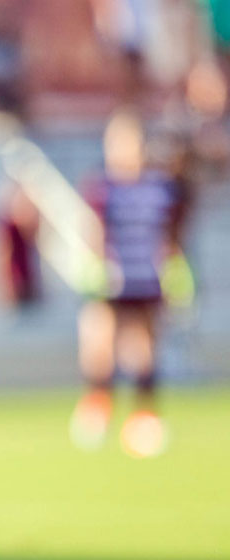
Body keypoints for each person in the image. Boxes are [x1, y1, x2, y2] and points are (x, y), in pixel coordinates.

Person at [70, 110, 189, 459]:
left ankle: (144, 417)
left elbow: (172, 233)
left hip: (147, 277)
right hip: (112, 277)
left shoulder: (161, 187)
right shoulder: (101, 187)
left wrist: (176, 268)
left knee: (143, 348)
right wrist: (94, 264)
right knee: (98, 342)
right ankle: (97, 408)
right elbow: (92, 230)